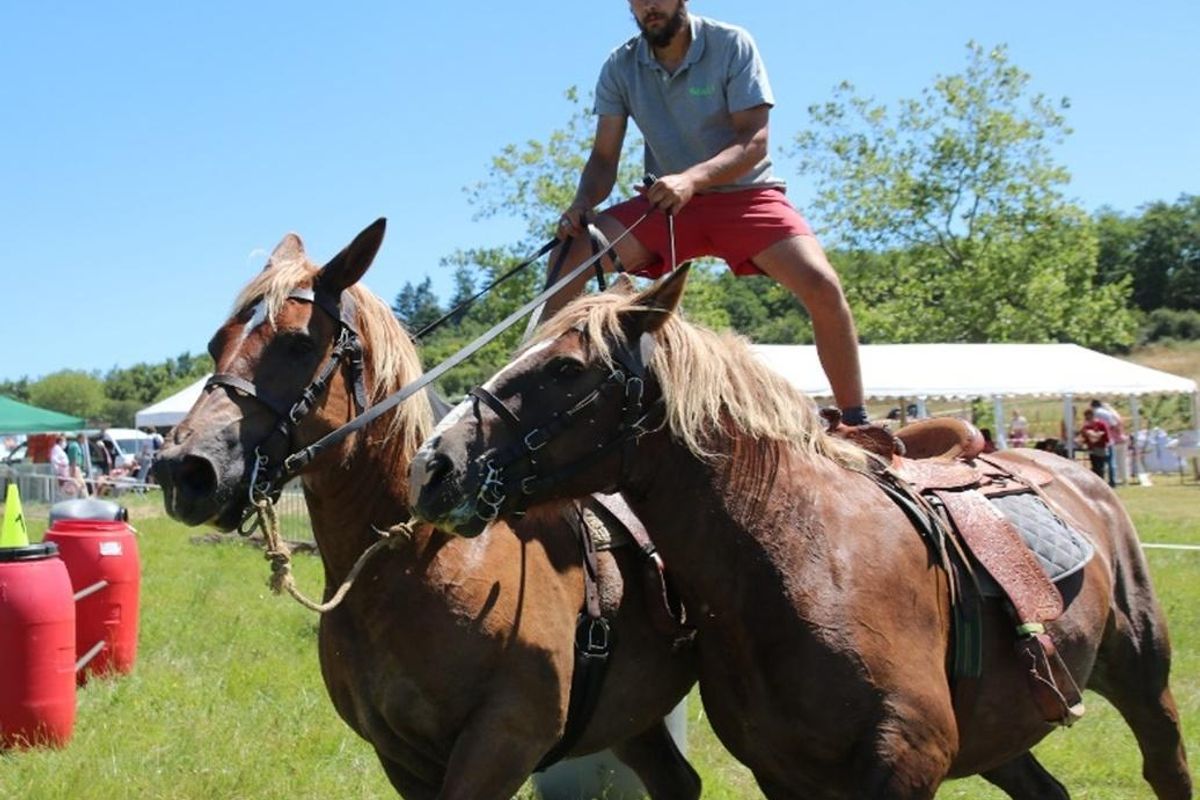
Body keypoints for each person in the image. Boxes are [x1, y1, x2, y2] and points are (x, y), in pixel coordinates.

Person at [548, 0, 868, 426]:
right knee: (571, 254)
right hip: (665, 202)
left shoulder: (730, 43)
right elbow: (604, 158)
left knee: (823, 284)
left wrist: (692, 179)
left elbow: (753, 141)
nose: (648, 7)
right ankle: (542, 405)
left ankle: (856, 420)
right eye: (638, 1)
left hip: (745, 195)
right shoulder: (620, 65)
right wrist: (582, 205)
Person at [1089, 399, 1125, 485]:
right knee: (1111, 462)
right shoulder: (1107, 413)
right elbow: (1114, 425)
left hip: (1096, 441)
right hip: (1108, 440)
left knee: (1097, 462)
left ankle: (1099, 480)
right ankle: (1112, 481)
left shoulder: (1093, 414)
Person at [1078, 409, 1113, 484]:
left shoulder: (1101, 424)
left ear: (1092, 415)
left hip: (1101, 449)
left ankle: (1101, 483)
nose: (1087, 418)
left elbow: (1106, 438)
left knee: (1100, 467)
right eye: (1086, 416)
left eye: (1088, 416)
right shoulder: (1086, 426)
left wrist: (1096, 437)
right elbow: (1083, 437)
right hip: (1092, 449)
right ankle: (1097, 483)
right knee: (1095, 467)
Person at [65, 432, 92, 497]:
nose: (84, 441)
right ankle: (85, 499)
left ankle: (82, 498)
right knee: (81, 486)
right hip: (75, 468)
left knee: (80, 486)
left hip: (77, 468)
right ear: (80, 438)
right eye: (84, 439)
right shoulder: (74, 446)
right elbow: (73, 459)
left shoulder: (78, 446)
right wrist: (73, 472)